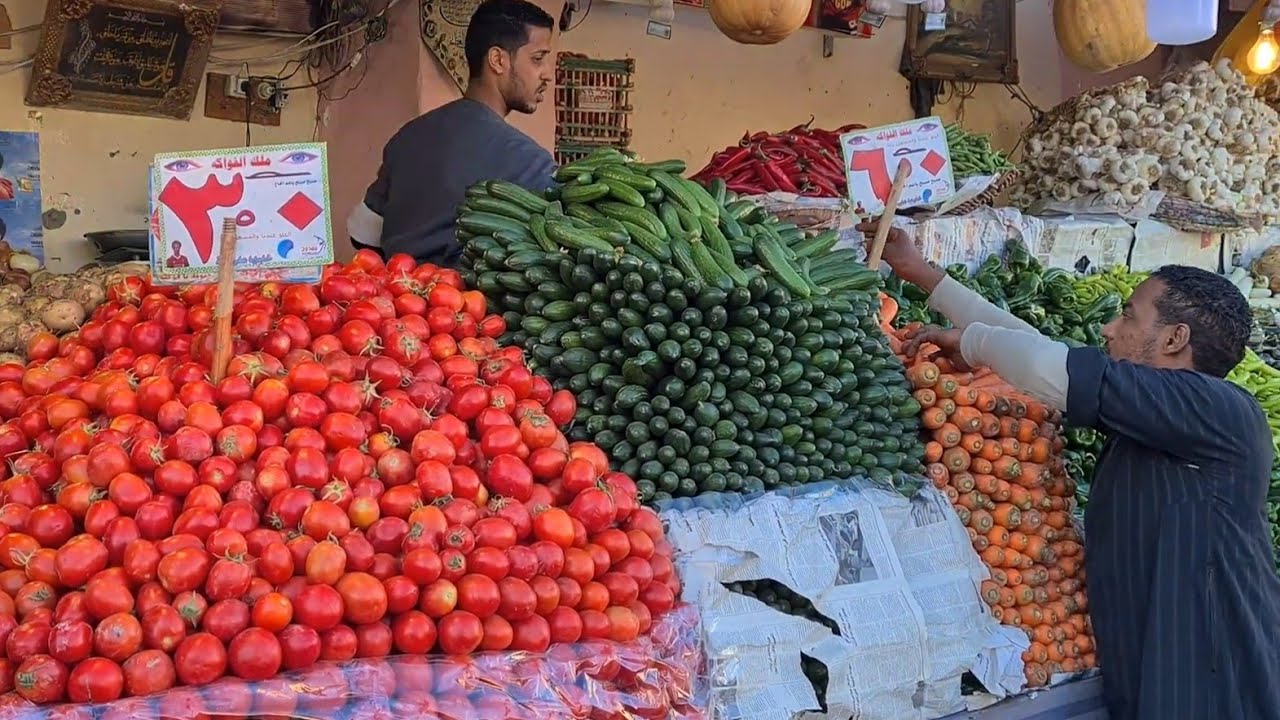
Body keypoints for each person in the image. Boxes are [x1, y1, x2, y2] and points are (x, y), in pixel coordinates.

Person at [863, 223, 1280, 720]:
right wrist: (927, 278)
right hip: (1155, 664)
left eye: (1128, 315)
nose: (1109, 328)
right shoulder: (1165, 410)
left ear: (1174, 338)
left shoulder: (1220, 409)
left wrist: (971, 343)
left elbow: (1055, 370)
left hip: (1212, 676)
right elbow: (1042, 350)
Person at [347, 0, 557, 267]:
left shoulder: (407, 138)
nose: (547, 74)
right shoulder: (531, 163)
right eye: (537, 59)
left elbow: (362, 233)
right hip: (473, 306)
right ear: (498, 60)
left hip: (397, 300)